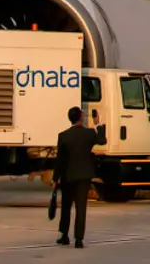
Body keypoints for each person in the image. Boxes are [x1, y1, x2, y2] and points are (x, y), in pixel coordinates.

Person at [53, 106, 105, 248]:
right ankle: (79, 239)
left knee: (66, 206)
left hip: (68, 176)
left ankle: (63, 235)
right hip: (84, 175)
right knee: (81, 208)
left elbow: (60, 160)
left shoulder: (63, 136)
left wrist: (55, 178)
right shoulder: (89, 133)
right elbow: (102, 140)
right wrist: (97, 123)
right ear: (81, 117)